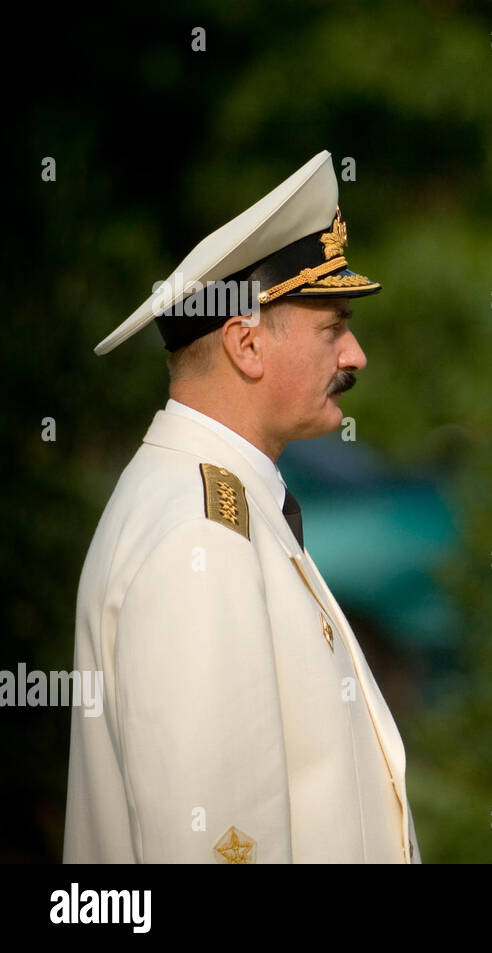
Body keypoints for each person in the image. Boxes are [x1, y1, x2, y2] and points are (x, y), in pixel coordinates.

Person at [64, 151, 420, 863]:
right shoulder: (200, 533)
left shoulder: (213, 502)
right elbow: (216, 842)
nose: (356, 355)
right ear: (246, 343)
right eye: (333, 326)